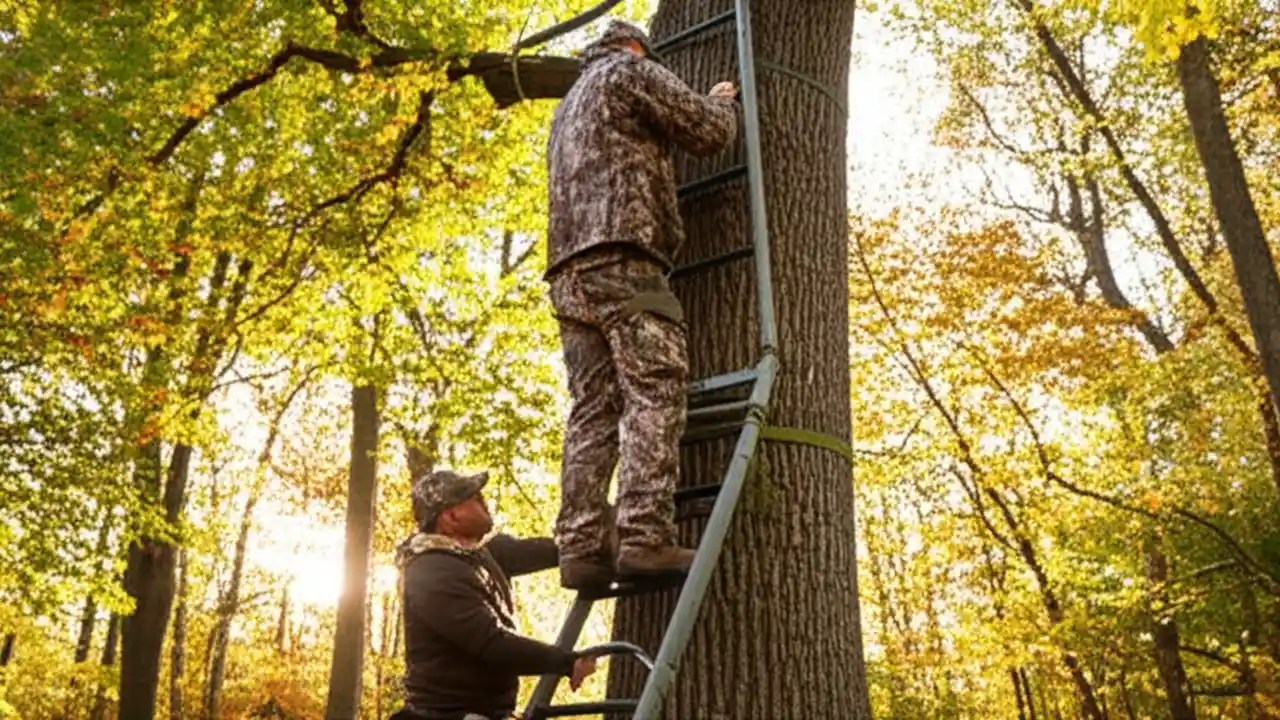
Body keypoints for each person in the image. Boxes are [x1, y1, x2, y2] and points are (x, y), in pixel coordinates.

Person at [544, 19, 739, 590]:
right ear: (635, 48)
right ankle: (644, 535)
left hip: (568, 277)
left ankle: (578, 548)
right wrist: (720, 101)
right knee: (656, 386)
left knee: (592, 408)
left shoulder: (565, 110)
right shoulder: (628, 72)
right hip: (628, 261)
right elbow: (706, 132)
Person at [391, 469, 597, 720]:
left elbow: (551, 551)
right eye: (474, 498)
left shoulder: (484, 555)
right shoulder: (431, 572)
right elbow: (491, 643)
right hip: (444, 715)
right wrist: (566, 662)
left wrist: (593, 543)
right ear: (451, 516)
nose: (483, 502)